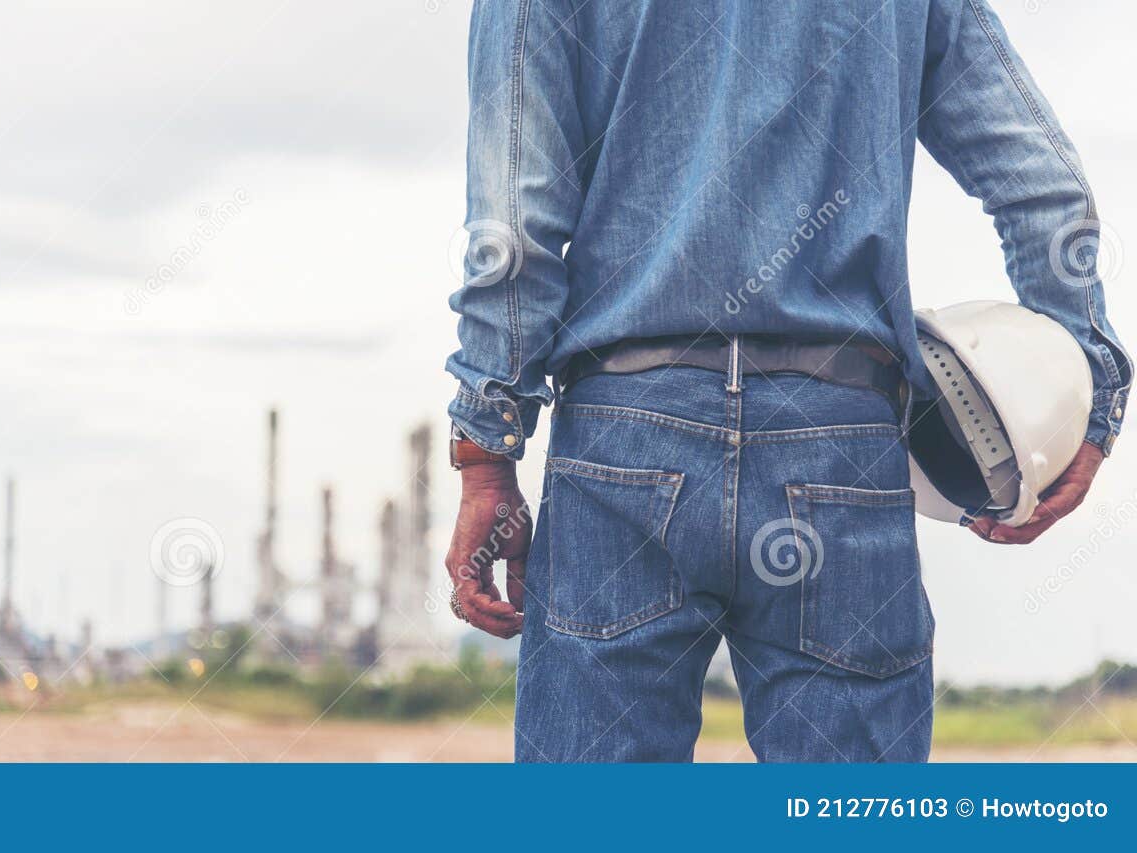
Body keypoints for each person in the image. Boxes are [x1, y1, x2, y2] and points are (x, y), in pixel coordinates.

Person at [443, 0, 1130, 762]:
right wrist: (1087, 394)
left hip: (623, 440)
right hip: (840, 442)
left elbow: (511, 227)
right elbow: (1041, 187)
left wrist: (487, 449)